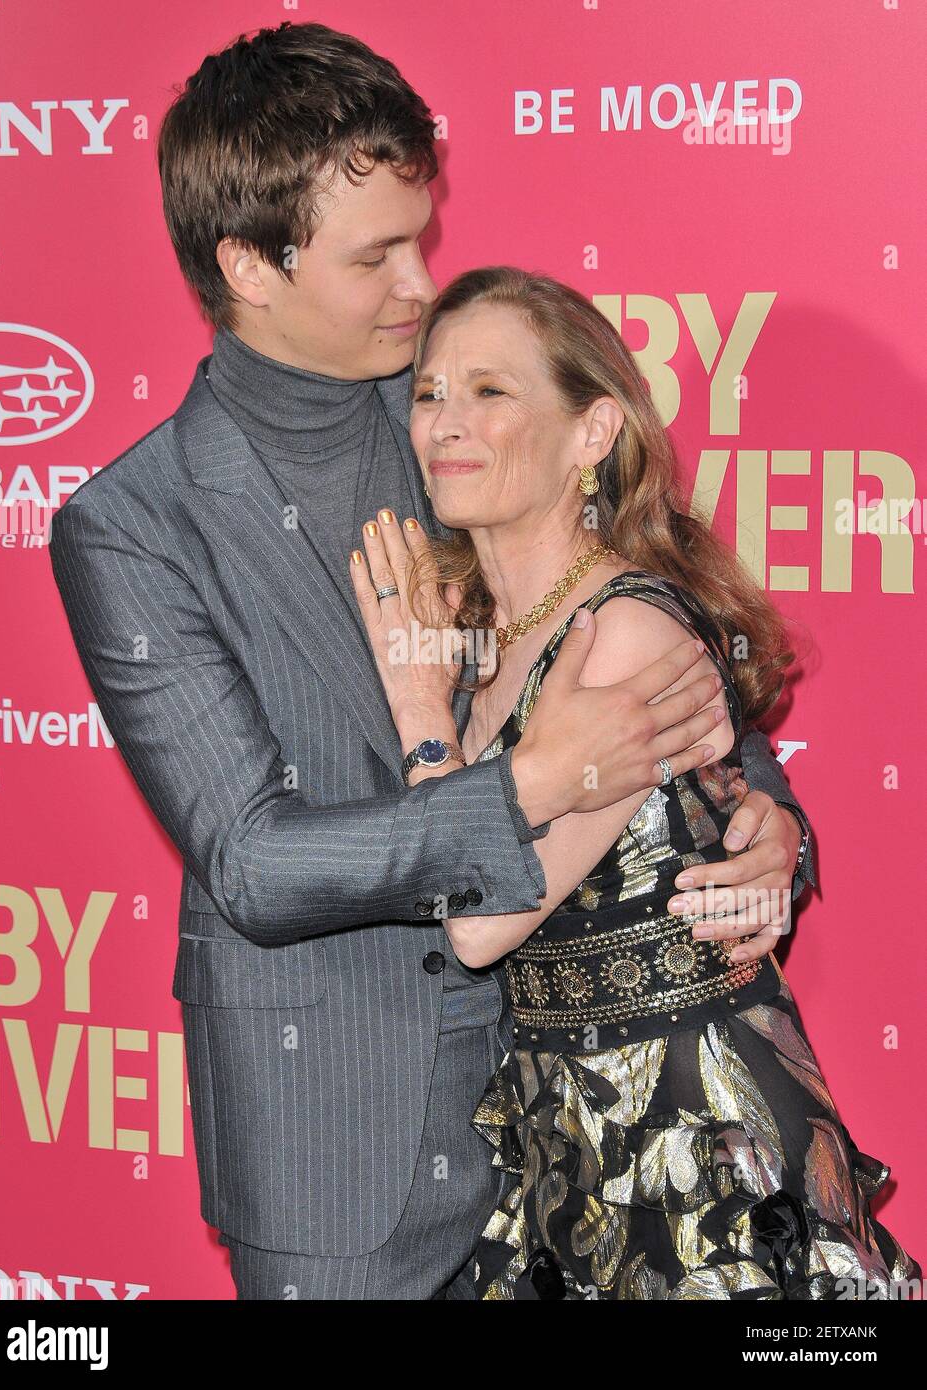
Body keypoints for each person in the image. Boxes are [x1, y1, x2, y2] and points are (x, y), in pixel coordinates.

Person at [47, 22, 815, 1300]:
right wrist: (530, 782)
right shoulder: (135, 522)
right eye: (375, 255)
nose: (420, 283)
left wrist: (770, 820)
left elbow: (658, 643)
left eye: (421, 234)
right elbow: (250, 856)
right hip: (333, 1140)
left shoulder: (455, 412)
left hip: (575, 1122)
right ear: (248, 264)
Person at [350, 263, 920, 1300]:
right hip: (564, 1134)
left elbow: (480, 924)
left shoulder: (626, 632)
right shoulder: (481, 629)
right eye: (430, 392)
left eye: (491, 391)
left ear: (592, 432)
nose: (444, 421)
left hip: (694, 1142)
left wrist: (421, 715)